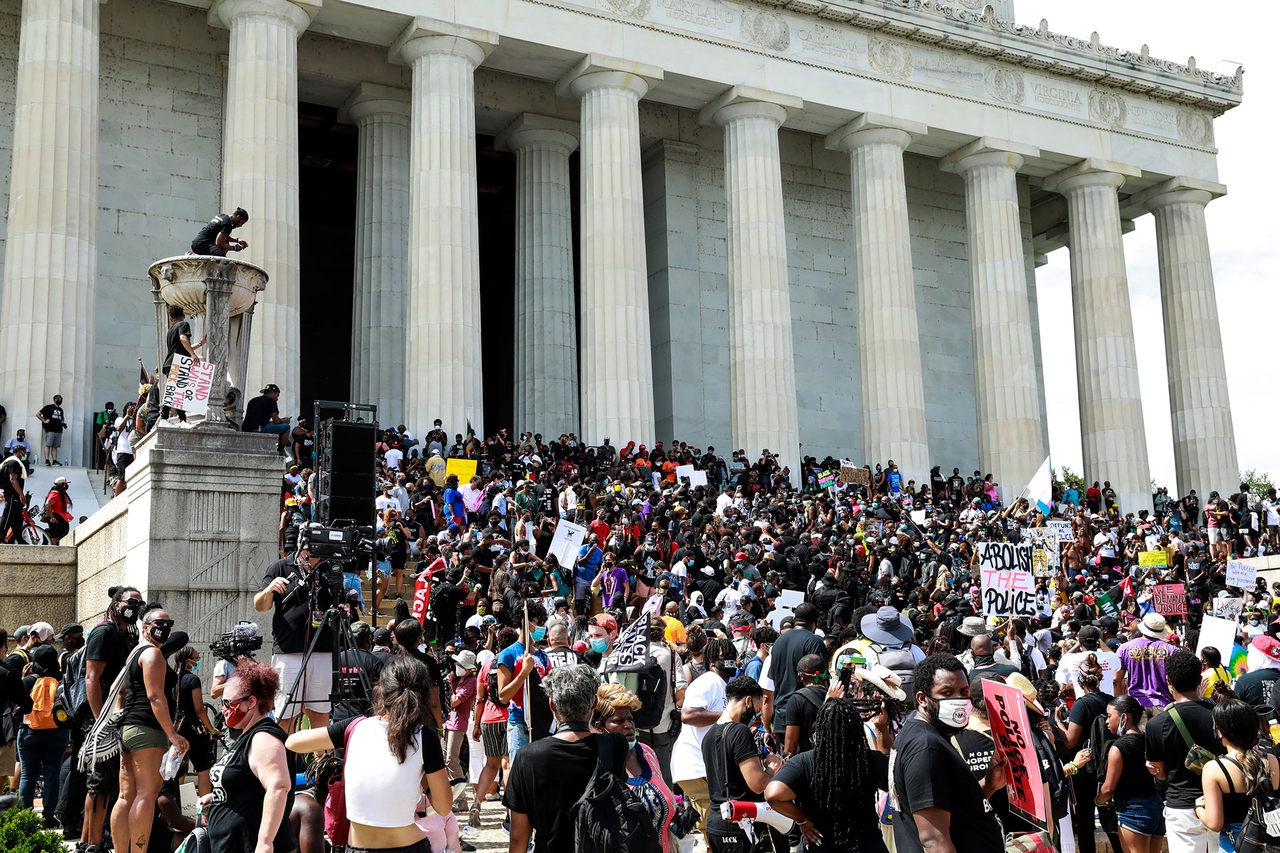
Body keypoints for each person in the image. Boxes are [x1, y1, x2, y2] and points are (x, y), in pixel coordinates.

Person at [286, 657, 453, 852]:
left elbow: (293, 742)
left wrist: (312, 714)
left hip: (358, 847)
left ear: (381, 692)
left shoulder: (355, 727)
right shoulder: (425, 737)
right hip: (408, 845)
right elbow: (443, 807)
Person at [504, 664, 628, 853]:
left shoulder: (527, 756)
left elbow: (518, 837)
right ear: (594, 703)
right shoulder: (615, 746)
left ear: (552, 704)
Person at [892, 654, 1005, 853]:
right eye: (947, 692)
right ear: (922, 698)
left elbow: (948, 803)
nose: (959, 700)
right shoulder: (925, 747)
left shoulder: (930, 736)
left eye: (964, 691)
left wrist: (988, 784)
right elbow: (934, 840)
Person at [767, 697, 890, 853]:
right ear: (856, 729)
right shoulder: (869, 760)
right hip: (867, 846)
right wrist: (881, 729)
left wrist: (802, 820)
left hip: (820, 844)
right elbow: (890, 776)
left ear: (821, 728)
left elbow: (773, 794)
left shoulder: (804, 762)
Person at [110, 607, 188, 853]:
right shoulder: (153, 654)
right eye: (158, 622)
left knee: (126, 795)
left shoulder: (134, 653)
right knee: (146, 794)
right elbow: (156, 697)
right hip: (148, 730)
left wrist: (124, 716)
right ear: (145, 626)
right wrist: (172, 734)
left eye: (168, 623)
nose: (164, 627)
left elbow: (120, 691)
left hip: (129, 729)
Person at [202, 660, 297, 853]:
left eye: (229, 702)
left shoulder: (263, 737)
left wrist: (265, 844)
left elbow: (278, 787)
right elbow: (248, 784)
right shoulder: (248, 735)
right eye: (223, 703)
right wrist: (219, 795)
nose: (224, 709)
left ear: (251, 702)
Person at [77, 585, 144, 853]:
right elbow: (91, 678)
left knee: (102, 783)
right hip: (102, 717)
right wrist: (99, 721)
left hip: (112, 715)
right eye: (131, 602)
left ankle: (87, 839)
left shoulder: (124, 632)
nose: (135, 607)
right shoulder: (105, 631)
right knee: (100, 782)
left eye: (140, 603)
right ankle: (92, 844)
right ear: (117, 604)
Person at [1145, 650, 1224, 853]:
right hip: (1221, 803)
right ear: (1200, 679)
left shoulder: (1156, 724)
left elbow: (1161, 773)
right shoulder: (1219, 716)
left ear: (1168, 680)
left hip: (1181, 807)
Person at [253, 541, 337, 732]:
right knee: (286, 716)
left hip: (322, 650)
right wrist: (269, 590)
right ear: (302, 547)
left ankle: (321, 762)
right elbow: (260, 606)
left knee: (320, 714)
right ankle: (285, 761)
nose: (318, 556)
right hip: (288, 651)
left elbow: (340, 601)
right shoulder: (281, 566)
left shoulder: (330, 567)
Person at [592, 682, 678, 852]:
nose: (628, 726)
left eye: (630, 719)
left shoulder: (647, 754)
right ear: (600, 727)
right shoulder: (599, 765)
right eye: (618, 721)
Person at [702, 675, 783, 852]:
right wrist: (772, 767)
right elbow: (757, 784)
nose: (757, 717)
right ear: (747, 701)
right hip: (738, 824)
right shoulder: (740, 731)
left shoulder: (709, 735)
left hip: (716, 822)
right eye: (757, 710)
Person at [671, 638, 738, 846]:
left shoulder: (722, 685)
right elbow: (689, 715)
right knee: (716, 829)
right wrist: (729, 715)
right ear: (711, 662)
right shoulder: (709, 681)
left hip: (704, 768)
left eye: (731, 656)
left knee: (711, 826)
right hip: (696, 766)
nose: (729, 660)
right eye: (723, 657)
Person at [1197, 697, 1280, 853]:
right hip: (1269, 843)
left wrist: (1197, 808)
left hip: (1234, 844)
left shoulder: (1214, 769)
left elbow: (1215, 823)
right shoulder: (1271, 760)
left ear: (1219, 732)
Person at [1097, 695, 1164, 853]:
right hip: (1156, 806)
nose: (1106, 721)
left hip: (1134, 812)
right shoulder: (1148, 739)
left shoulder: (1117, 748)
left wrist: (1098, 801)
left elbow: (1108, 789)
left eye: (1109, 716)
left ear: (1124, 717)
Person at [18, 644, 70, 825]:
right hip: (58, 731)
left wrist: (23, 679)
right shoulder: (63, 678)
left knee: (28, 774)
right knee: (52, 773)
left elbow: (18, 706)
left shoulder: (29, 680)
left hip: (30, 731)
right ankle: (49, 816)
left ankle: (24, 816)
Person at [766, 602, 827, 746]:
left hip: (781, 716)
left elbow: (774, 681)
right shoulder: (815, 643)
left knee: (786, 764)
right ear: (816, 622)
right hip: (806, 718)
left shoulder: (778, 642)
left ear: (794, 620)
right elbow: (819, 680)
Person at [172, 647, 219, 796]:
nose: (197, 662)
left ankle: (178, 806)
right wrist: (211, 729)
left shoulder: (170, 679)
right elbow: (199, 709)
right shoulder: (192, 680)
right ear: (188, 661)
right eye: (196, 659)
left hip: (175, 729)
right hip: (192, 729)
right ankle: (204, 811)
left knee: (178, 770)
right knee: (203, 771)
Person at [1116, 613, 1180, 712]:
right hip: (1164, 706)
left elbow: (1117, 680)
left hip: (1135, 706)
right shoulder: (1172, 650)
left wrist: (1119, 707)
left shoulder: (1124, 648)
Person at [158, 304, 204, 424]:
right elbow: (184, 339)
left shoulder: (171, 330)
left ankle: (181, 418)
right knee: (175, 391)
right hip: (177, 363)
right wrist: (193, 355)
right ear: (184, 316)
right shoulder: (183, 324)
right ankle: (165, 417)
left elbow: (182, 346)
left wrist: (200, 344)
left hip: (171, 363)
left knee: (177, 391)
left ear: (170, 319)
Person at [241, 384, 291, 453]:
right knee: (286, 427)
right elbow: (276, 421)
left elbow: (257, 419)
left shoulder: (253, 400)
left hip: (247, 429)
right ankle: (280, 450)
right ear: (272, 392)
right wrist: (285, 420)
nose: (277, 398)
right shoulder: (271, 401)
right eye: (277, 395)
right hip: (259, 429)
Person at [0, 445, 28, 544]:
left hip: (14, 494)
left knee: (17, 518)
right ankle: (1, 537)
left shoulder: (14, 462)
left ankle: (19, 539)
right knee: (8, 515)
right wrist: (21, 494)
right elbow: (12, 479)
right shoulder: (13, 462)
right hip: (12, 493)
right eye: (25, 452)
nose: (26, 454)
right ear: (20, 452)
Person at [38, 393, 66, 466]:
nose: (60, 401)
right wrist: (44, 421)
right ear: (54, 400)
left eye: (61, 399)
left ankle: (54, 460)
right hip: (50, 429)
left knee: (55, 446)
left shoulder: (61, 410)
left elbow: (62, 418)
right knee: (48, 445)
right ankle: (47, 460)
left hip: (58, 429)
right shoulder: (48, 407)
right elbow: (38, 414)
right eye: (58, 399)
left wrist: (62, 423)